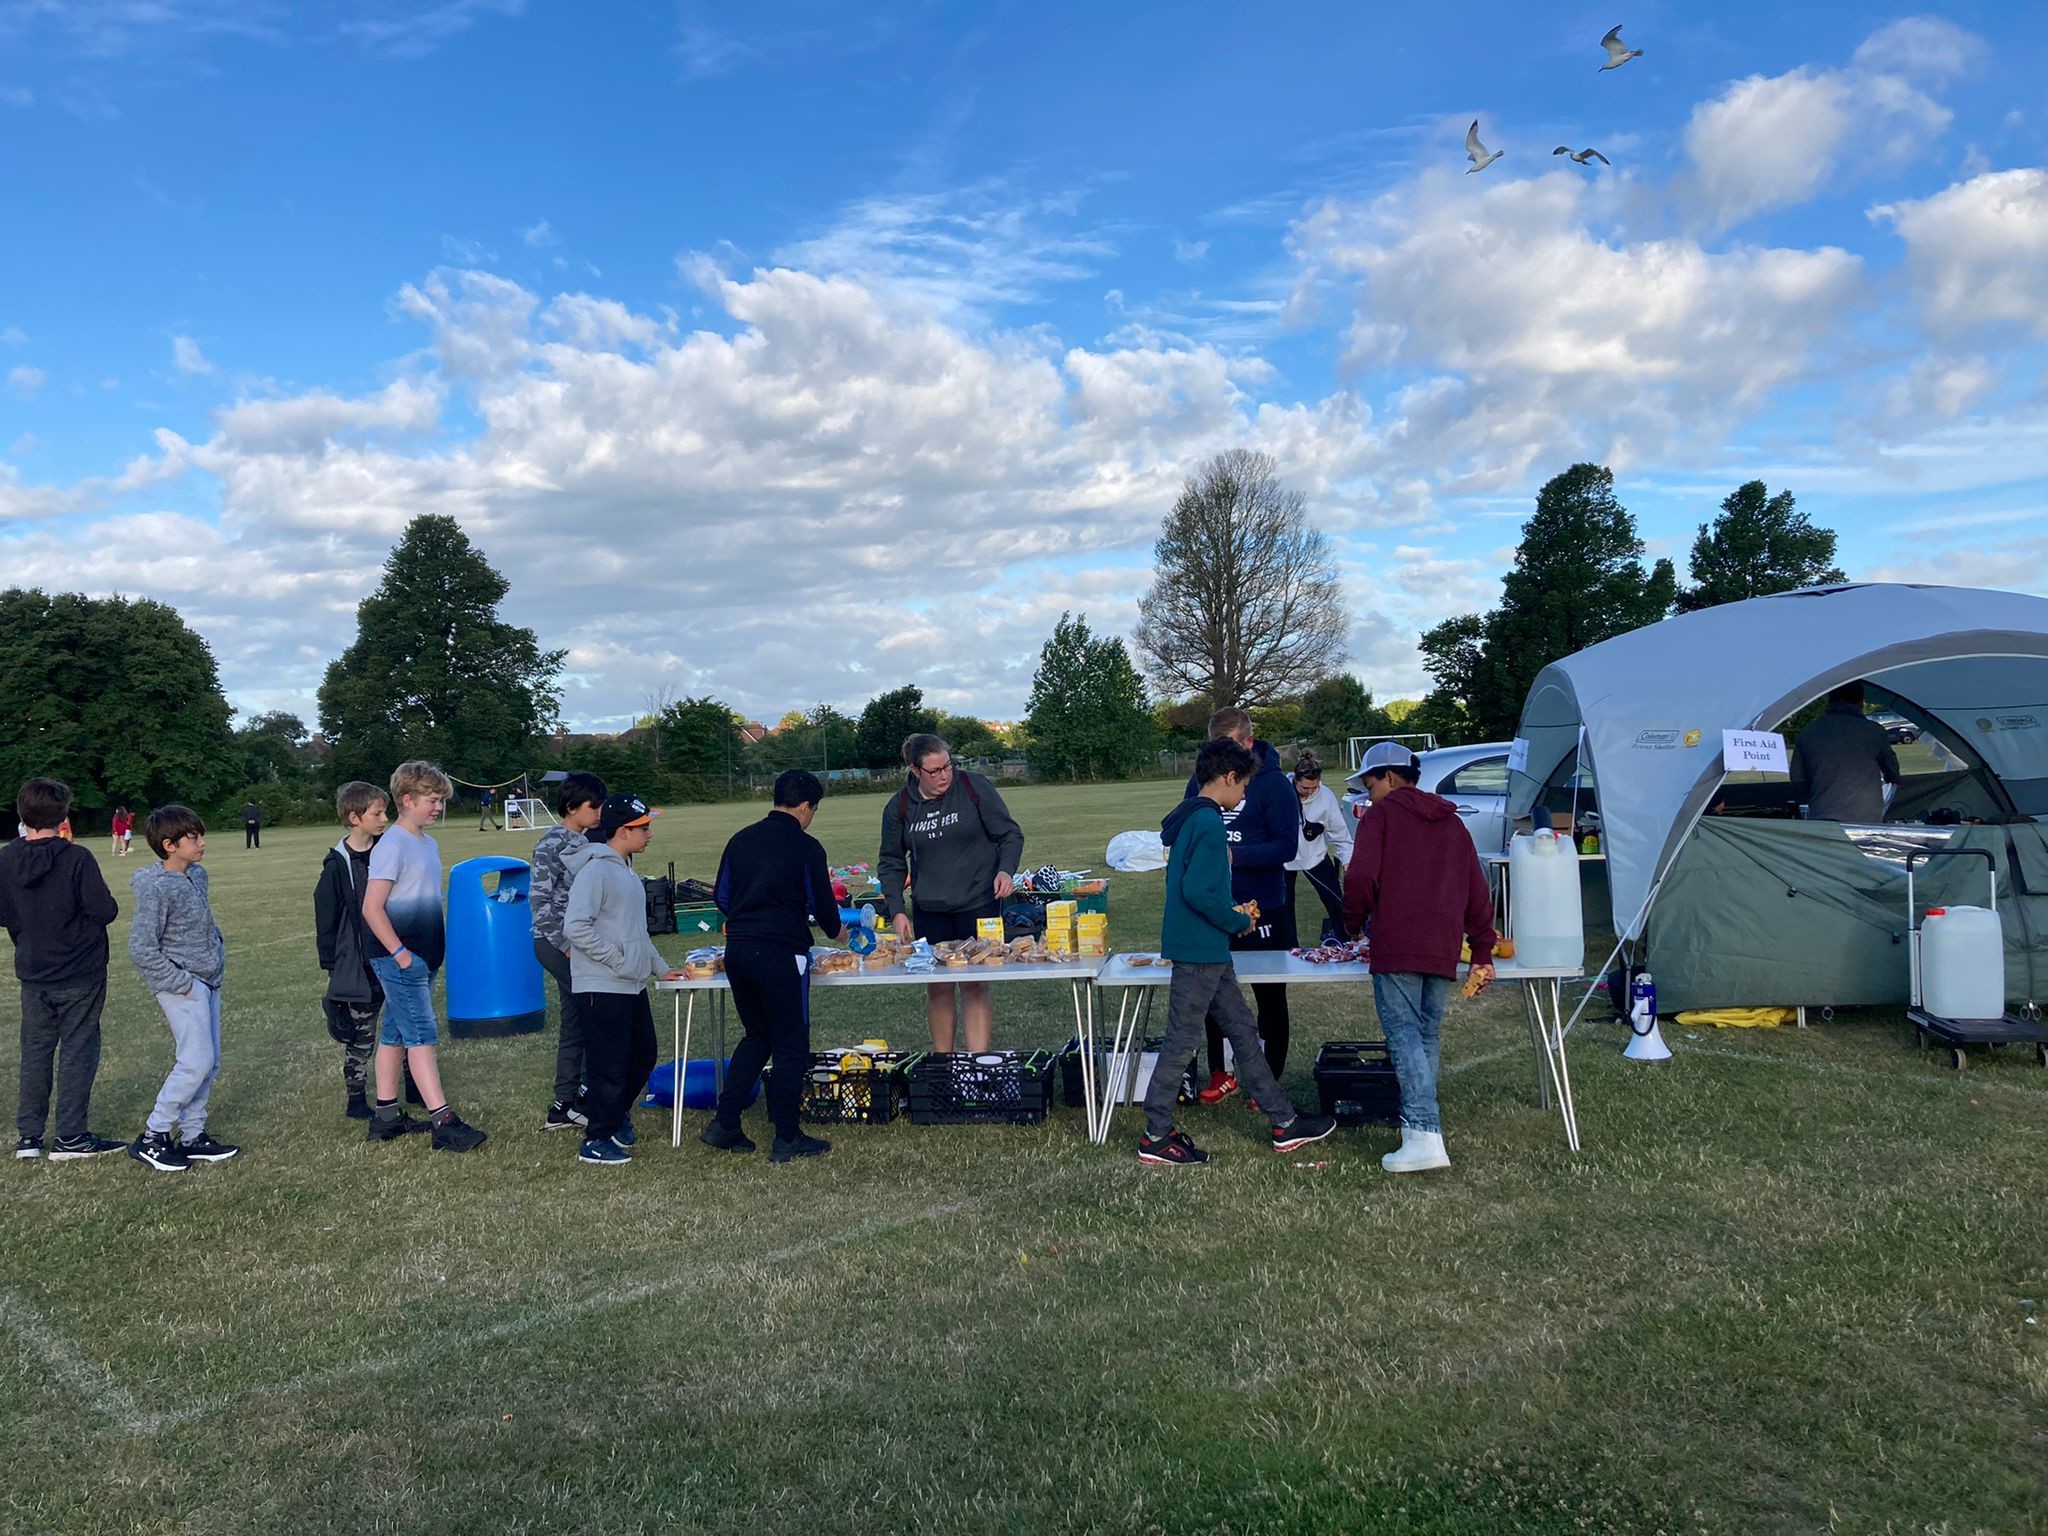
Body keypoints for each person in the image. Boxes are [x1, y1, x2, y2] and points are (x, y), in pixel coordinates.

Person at [1142, 737, 1336, 1166]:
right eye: (1243, 785)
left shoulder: (1193, 817)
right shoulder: (1208, 823)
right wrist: (1237, 920)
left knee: (1245, 1031)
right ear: (1228, 778)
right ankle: (1156, 1134)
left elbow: (1196, 885)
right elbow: (1199, 891)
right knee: (1181, 1041)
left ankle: (1283, 1122)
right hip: (1201, 949)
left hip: (1207, 948)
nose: (1245, 792)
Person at [1342, 743, 1497, 1174]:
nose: (1367, 795)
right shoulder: (1452, 822)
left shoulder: (1381, 817)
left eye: (1369, 784)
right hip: (1443, 944)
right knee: (1425, 1034)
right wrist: (1481, 949)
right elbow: (1477, 891)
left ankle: (1423, 1132)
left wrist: (1352, 921)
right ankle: (1423, 1128)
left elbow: (1358, 877)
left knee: (1404, 1034)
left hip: (1398, 941)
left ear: (1390, 778)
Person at [707, 770, 845, 1163]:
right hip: (782, 953)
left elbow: (722, 896)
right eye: (814, 810)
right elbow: (824, 907)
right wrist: (838, 934)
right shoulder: (806, 847)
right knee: (790, 1044)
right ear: (804, 807)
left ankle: (725, 1122)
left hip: (738, 951)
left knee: (757, 1036)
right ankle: (787, 1135)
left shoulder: (740, 839)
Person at [358, 760, 487, 1152]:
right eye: (432, 800)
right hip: (400, 959)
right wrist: (400, 956)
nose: (438, 808)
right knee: (421, 1036)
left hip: (423, 958)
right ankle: (443, 1121)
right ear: (407, 799)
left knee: (396, 1033)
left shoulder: (427, 844)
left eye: (441, 801)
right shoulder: (391, 845)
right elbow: (371, 908)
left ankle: (385, 1116)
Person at [1, 778, 124, 1161]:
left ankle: (30, 1136)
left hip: (34, 968)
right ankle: (71, 1136)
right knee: (78, 1050)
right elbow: (105, 910)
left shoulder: (6, 858)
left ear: (23, 815)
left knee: (35, 1051)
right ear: (64, 816)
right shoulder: (76, 858)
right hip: (79, 971)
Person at [877, 733, 1024, 1053]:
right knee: (939, 986)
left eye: (948, 766)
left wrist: (1005, 870)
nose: (945, 775)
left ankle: (976, 1063)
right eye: (935, 771)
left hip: (978, 903)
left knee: (974, 983)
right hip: (930, 908)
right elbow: (890, 861)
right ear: (915, 771)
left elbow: (1010, 835)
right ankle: (944, 1063)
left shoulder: (973, 787)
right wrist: (897, 909)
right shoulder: (900, 806)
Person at [1184, 707, 1297, 1103]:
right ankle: (1221, 1071)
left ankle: (1269, 1077)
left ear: (1248, 742)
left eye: (1229, 747)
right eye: (1214, 748)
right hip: (1215, 907)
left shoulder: (1275, 785)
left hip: (1264, 904)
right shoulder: (1200, 782)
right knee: (1213, 991)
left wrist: (1236, 855)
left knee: (1270, 995)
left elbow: (1287, 846)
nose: (1221, 758)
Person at [562, 793, 681, 1166]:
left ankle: (614, 1119)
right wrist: (617, 960)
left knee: (643, 1054)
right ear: (622, 831)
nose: (649, 834)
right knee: (609, 1064)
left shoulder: (625, 869)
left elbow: (637, 931)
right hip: (602, 985)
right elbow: (575, 927)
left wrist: (660, 968)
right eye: (643, 828)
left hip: (629, 982)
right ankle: (596, 1138)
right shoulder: (596, 870)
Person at [127, 805, 239, 1173]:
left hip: (208, 979)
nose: (202, 843)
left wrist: (216, 952)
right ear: (169, 844)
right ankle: (153, 1136)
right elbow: (142, 947)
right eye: (194, 838)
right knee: (194, 1062)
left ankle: (192, 1135)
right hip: (182, 985)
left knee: (210, 1062)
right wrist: (181, 982)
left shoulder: (198, 876)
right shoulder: (156, 888)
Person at [530, 771, 607, 1131]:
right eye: (594, 806)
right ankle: (583, 1098)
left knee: (576, 1020)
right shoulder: (551, 845)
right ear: (572, 807)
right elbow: (541, 904)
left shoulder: (590, 842)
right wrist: (564, 947)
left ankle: (566, 1103)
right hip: (554, 944)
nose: (599, 812)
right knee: (591, 1015)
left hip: (579, 945)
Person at [315, 781, 392, 1121]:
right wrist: (332, 965)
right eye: (377, 813)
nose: (384, 819)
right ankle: (356, 1097)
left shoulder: (388, 851)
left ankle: (414, 1086)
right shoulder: (336, 864)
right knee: (363, 1035)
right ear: (354, 817)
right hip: (359, 964)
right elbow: (326, 917)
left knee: (404, 1025)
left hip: (393, 953)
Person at [1791, 681, 1902, 824]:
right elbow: (1893, 772)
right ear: (1860, 701)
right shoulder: (1874, 731)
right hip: (1867, 817)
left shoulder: (1808, 732)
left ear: (1829, 701)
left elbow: (1798, 780)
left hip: (1823, 815)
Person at [1285, 749, 1354, 946]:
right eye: (1305, 787)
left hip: (1314, 855)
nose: (1310, 792)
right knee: (1284, 908)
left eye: (1314, 787)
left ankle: (1348, 941)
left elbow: (1339, 833)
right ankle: (1288, 949)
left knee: (1334, 900)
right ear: (1296, 780)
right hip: (1283, 859)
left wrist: (1347, 861)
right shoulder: (1282, 791)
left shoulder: (1326, 796)